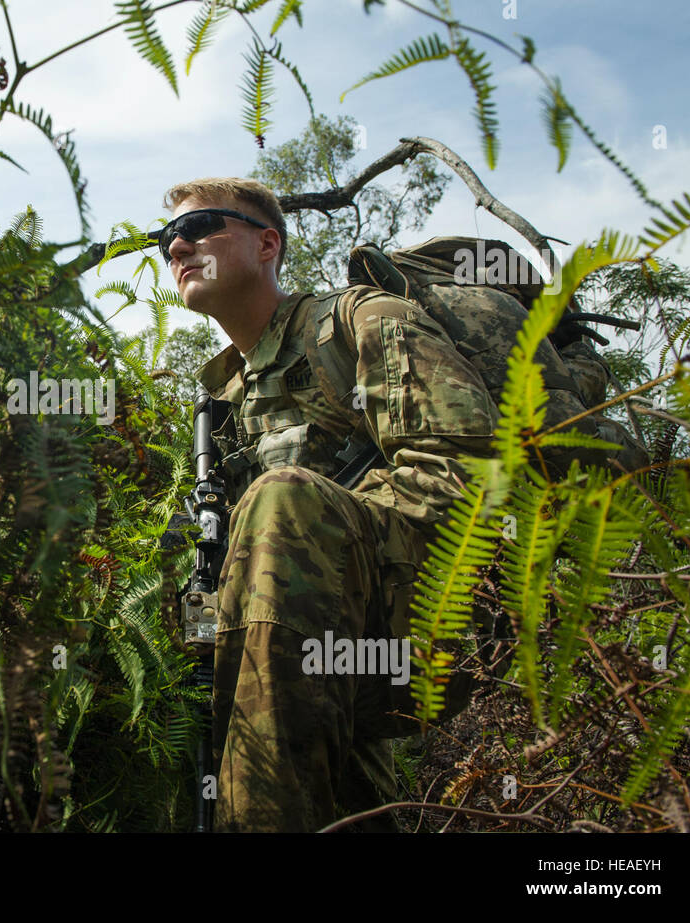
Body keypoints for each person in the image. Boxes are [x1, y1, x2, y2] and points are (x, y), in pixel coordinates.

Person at [160, 177, 500, 832]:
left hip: (434, 620)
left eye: (201, 225)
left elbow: (467, 479)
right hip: (295, 649)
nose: (178, 244)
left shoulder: (363, 320)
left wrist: (306, 513)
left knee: (282, 502)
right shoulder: (222, 405)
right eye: (167, 236)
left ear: (267, 244)